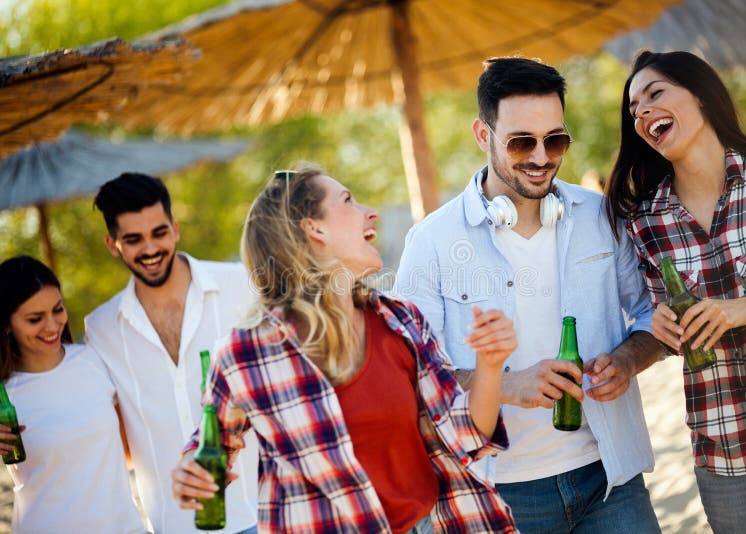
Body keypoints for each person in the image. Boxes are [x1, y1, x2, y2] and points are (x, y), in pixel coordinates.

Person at [394, 56, 663, 533]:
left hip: (610, 478)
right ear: (483, 135)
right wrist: (504, 386)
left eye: (555, 140)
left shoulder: (601, 216)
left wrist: (627, 360)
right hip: (497, 491)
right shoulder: (430, 242)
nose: (542, 157)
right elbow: (408, 373)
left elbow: (651, 314)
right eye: (522, 142)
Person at [170, 166, 519, 533]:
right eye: (348, 200)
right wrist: (191, 472)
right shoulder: (246, 354)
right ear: (314, 229)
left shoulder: (400, 322)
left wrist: (490, 363)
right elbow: (209, 447)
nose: (371, 212)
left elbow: (466, 435)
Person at [605, 50, 746, 534]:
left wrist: (743, 310)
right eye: (634, 109)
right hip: (727, 454)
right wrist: (663, 327)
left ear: (701, 96)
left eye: (655, 93)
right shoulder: (647, 224)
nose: (642, 112)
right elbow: (670, 333)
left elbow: (738, 310)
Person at [84, 172, 259, 533]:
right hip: (173, 524)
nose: (150, 249)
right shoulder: (100, 329)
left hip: (260, 513)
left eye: (159, 233)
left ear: (175, 229)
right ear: (112, 244)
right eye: (133, 239)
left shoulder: (241, 285)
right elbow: (93, 422)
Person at [0, 255, 145, 533]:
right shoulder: (5, 394)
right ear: (6, 324)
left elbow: (130, 446)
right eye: (35, 319)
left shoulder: (94, 360)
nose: (52, 326)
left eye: (58, 309)